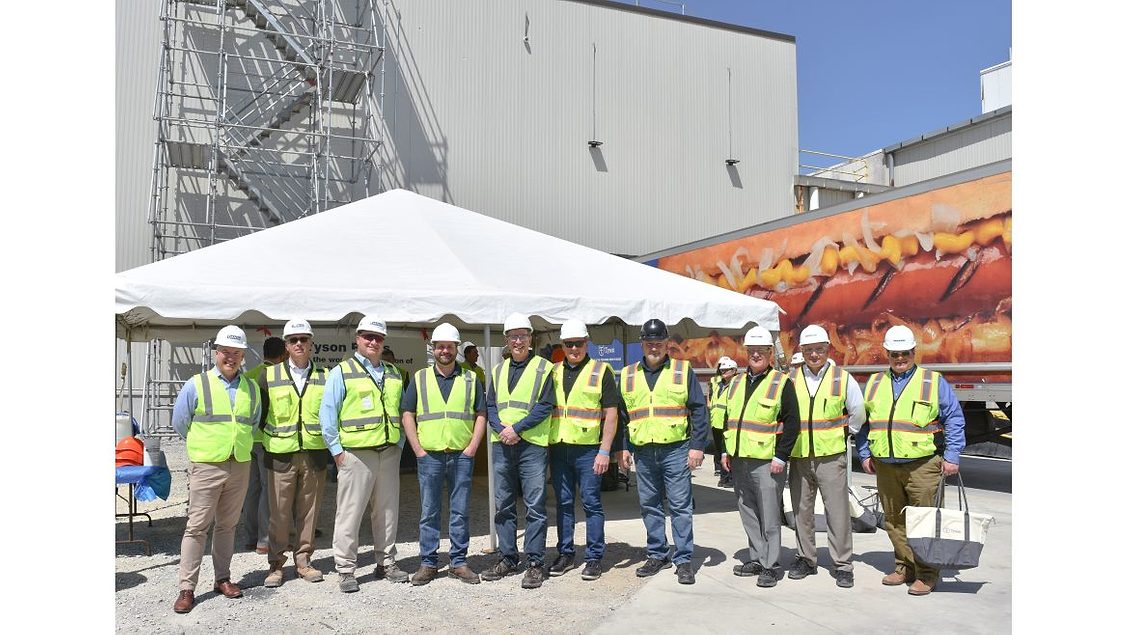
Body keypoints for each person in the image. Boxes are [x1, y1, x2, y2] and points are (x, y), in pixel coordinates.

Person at [857, 324, 966, 596]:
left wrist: (952, 456)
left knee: (925, 520)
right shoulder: (874, 383)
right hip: (885, 465)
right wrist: (864, 453)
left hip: (923, 465)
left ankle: (927, 573)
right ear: (887, 354)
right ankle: (904, 566)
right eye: (894, 354)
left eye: (904, 353)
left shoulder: (932, 381)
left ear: (914, 352)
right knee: (894, 520)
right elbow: (862, 423)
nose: (900, 358)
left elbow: (954, 418)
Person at [170, 325, 261, 614]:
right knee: (197, 527)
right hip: (207, 464)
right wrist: (205, 448)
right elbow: (180, 423)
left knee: (228, 526)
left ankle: (222, 578)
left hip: (239, 464)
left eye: (236, 353)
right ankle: (187, 588)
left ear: (243, 355)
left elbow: (253, 423)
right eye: (225, 352)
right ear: (216, 353)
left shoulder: (252, 388)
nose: (230, 357)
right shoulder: (197, 384)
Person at [319, 315, 409, 593]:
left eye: (378, 337)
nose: (373, 341)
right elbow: (327, 414)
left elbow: (401, 413)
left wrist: (400, 444)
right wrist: (337, 452)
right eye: (368, 336)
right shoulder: (341, 372)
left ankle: (386, 562)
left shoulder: (394, 373)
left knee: (387, 512)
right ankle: (346, 569)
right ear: (357, 339)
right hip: (355, 455)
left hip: (388, 453)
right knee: (350, 513)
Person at [618, 318, 709, 585]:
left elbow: (699, 410)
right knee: (649, 505)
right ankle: (657, 554)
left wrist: (697, 446)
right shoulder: (628, 374)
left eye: (658, 343)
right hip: (644, 452)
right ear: (642, 344)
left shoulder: (682, 371)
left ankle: (683, 560)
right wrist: (624, 448)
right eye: (649, 343)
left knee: (680, 506)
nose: (654, 347)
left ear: (667, 344)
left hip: (676, 450)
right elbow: (624, 416)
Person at [401, 323, 487, 586]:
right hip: (430, 456)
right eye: (440, 346)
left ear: (456, 349)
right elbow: (407, 414)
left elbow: (481, 414)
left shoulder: (471, 378)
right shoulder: (420, 378)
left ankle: (458, 562)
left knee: (460, 511)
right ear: (433, 349)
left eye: (449, 346)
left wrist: (473, 446)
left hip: (462, 454)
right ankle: (428, 563)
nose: (445, 351)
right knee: (429, 511)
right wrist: (417, 449)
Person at [785, 325, 865, 589]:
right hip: (799, 455)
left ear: (828, 349)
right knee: (801, 510)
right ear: (802, 352)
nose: (814, 355)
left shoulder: (842, 378)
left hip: (830, 456)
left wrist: (845, 435)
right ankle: (806, 559)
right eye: (808, 350)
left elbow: (858, 412)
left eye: (818, 349)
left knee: (837, 511)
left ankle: (842, 564)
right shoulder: (792, 378)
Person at [481, 312, 556, 589]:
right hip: (502, 443)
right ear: (506, 340)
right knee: (504, 504)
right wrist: (502, 428)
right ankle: (508, 558)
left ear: (531, 338)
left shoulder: (544, 368)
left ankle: (535, 563)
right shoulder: (498, 370)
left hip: (531, 446)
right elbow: (490, 405)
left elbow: (544, 405)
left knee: (535, 506)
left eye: (523, 336)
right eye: (513, 336)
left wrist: (517, 429)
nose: (518, 341)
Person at [721, 326, 800, 588]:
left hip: (767, 462)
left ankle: (771, 564)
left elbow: (792, 423)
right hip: (740, 458)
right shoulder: (735, 383)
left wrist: (781, 456)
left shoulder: (781, 383)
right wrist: (725, 450)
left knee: (769, 514)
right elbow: (727, 420)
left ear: (769, 353)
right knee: (748, 511)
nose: (755, 355)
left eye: (761, 351)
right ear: (746, 353)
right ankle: (755, 557)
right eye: (751, 351)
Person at [259, 320, 330, 588]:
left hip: (314, 452)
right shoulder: (269, 376)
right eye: (293, 340)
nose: (298, 344)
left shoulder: (326, 376)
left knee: (309, 511)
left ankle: (304, 561)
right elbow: (260, 414)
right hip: (280, 453)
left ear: (311, 343)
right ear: (286, 346)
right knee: (278, 512)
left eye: (303, 339)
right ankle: (276, 564)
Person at [546, 319, 619, 581]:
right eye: (569, 344)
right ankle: (566, 554)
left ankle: (594, 558)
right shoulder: (553, 372)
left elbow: (611, 414)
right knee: (563, 504)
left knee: (591, 504)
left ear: (587, 343)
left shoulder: (602, 371)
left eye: (578, 343)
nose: (574, 348)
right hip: (560, 448)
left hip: (589, 451)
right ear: (562, 346)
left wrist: (605, 451)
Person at [241, 336, 284, 553]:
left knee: (252, 490)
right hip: (268, 439)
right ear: (283, 354)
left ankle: (250, 536)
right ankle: (264, 539)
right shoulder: (277, 377)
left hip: (249, 440)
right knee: (269, 491)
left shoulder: (247, 375)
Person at [708, 356, 740, 487]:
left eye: (727, 370)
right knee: (720, 451)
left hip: (729, 423)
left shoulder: (737, 384)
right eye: (722, 370)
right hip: (717, 422)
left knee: (729, 451)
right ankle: (723, 476)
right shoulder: (719, 384)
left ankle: (731, 476)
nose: (724, 372)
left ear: (734, 370)